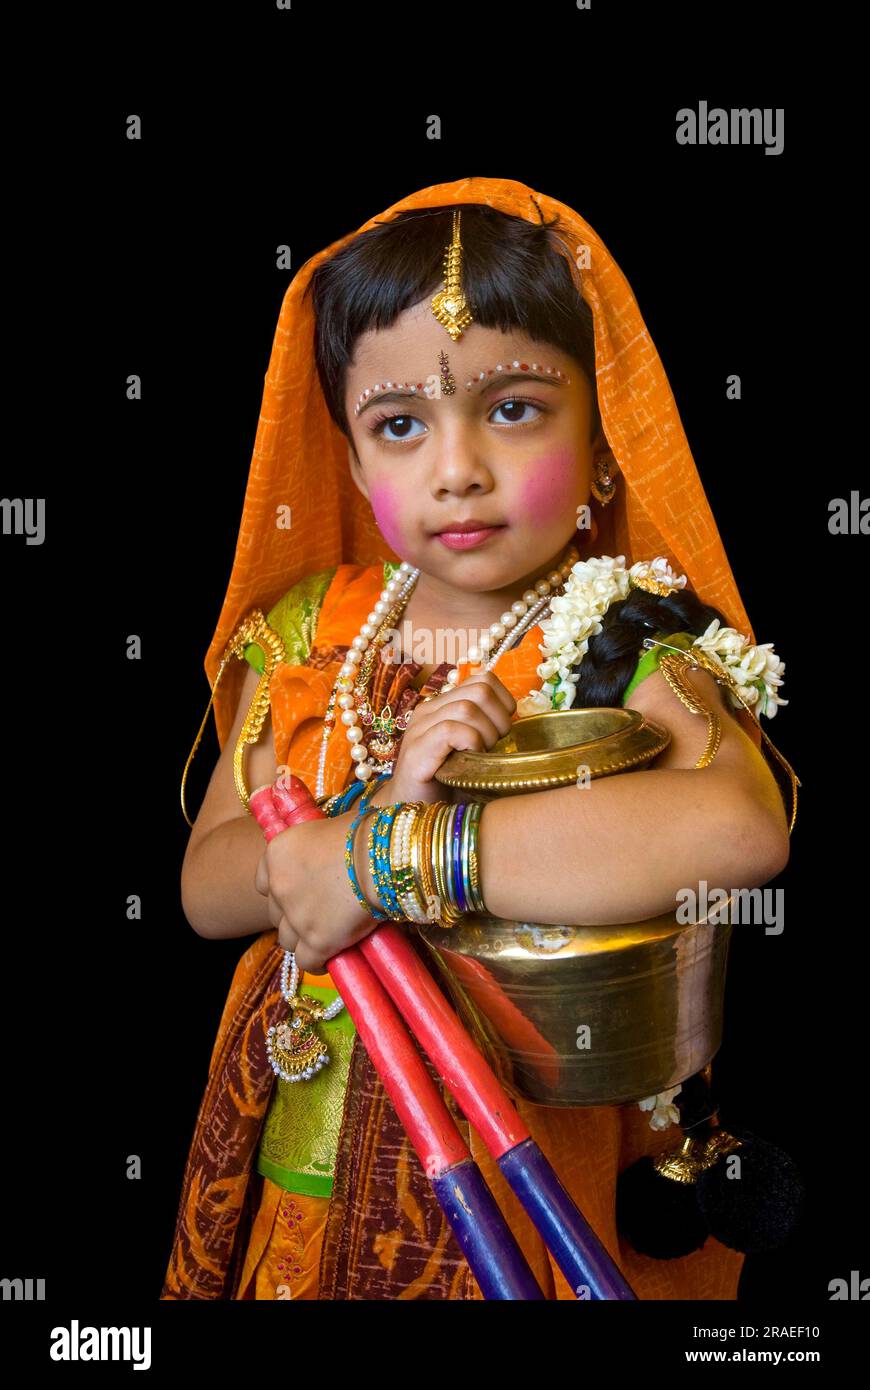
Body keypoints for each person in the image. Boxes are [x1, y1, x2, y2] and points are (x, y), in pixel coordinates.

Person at [161, 177, 792, 1302]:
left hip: (525, 1158)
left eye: (512, 408)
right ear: (352, 464)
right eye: (399, 424)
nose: (455, 467)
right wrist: (368, 815)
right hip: (296, 1141)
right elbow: (210, 889)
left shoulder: (613, 631)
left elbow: (738, 827)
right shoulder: (309, 633)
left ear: (602, 435)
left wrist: (386, 857)